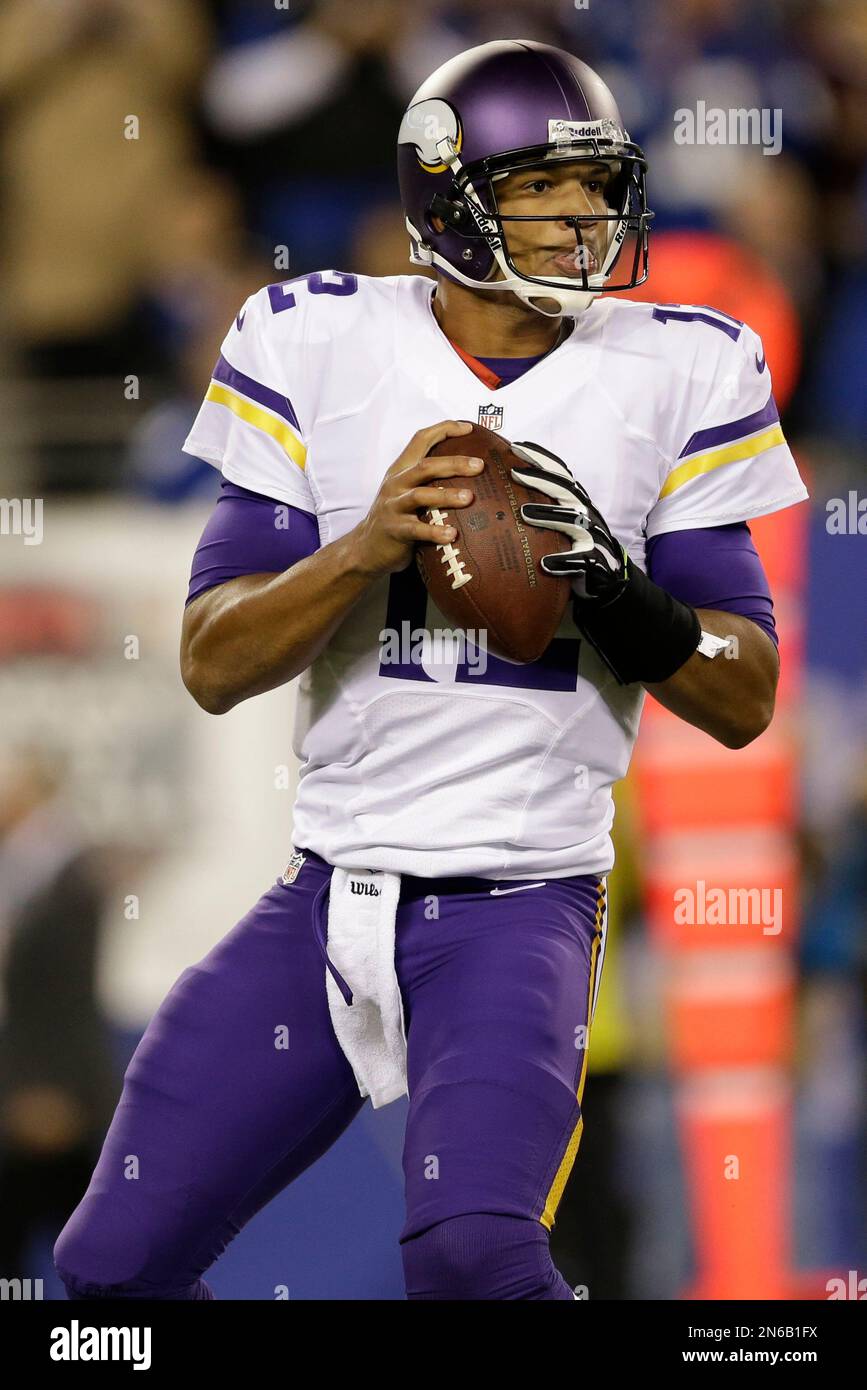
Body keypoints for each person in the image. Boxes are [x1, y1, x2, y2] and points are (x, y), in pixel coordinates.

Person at [55, 39, 808, 1301]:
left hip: (523, 900)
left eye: (597, 188)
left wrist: (617, 593)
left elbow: (743, 689)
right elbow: (212, 658)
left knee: (475, 1255)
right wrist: (364, 547)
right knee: (107, 1271)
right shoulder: (317, 338)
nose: (587, 222)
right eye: (545, 192)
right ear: (449, 200)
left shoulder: (679, 364)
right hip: (325, 896)